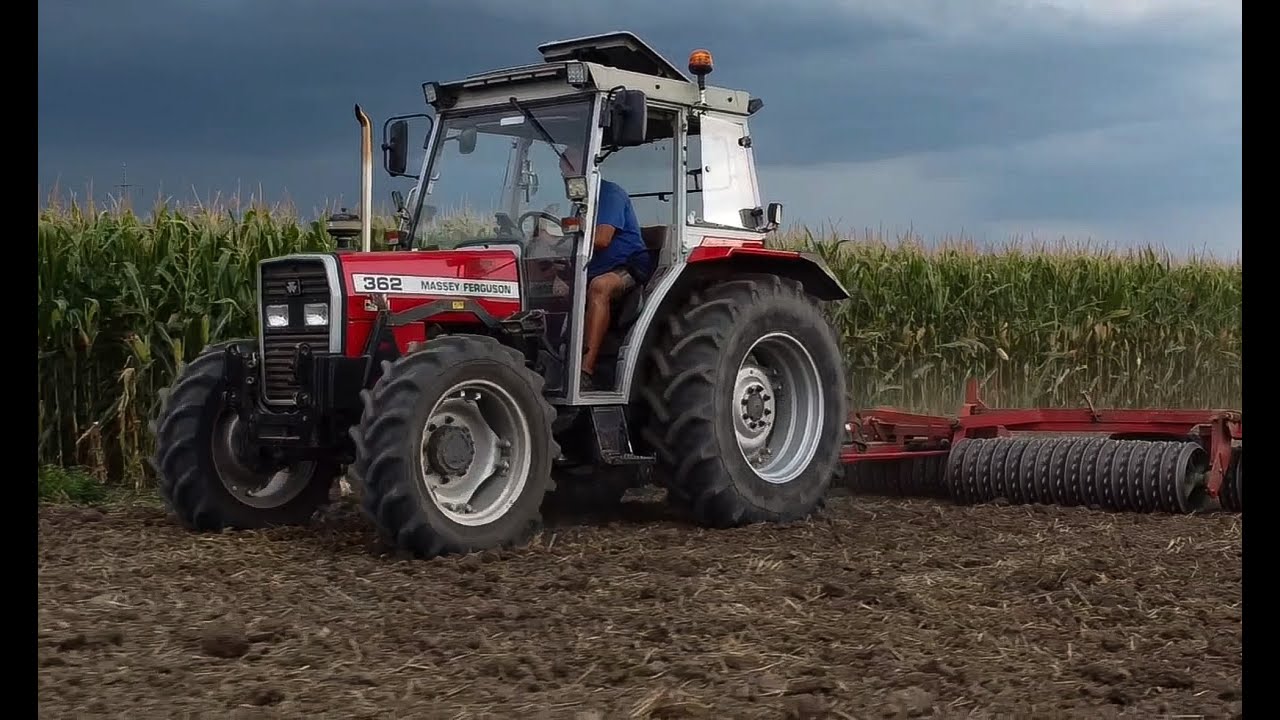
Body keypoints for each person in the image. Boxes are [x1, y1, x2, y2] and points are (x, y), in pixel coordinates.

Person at [557, 143, 653, 391]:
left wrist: (568, 230)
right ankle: (555, 358)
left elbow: (601, 239)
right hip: (593, 266)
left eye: (569, 170)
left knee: (599, 288)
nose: (566, 177)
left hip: (628, 264)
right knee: (552, 288)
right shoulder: (581, 204)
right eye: (563, 172)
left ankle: (584, 370)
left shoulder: (609, 194)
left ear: (586, 167)